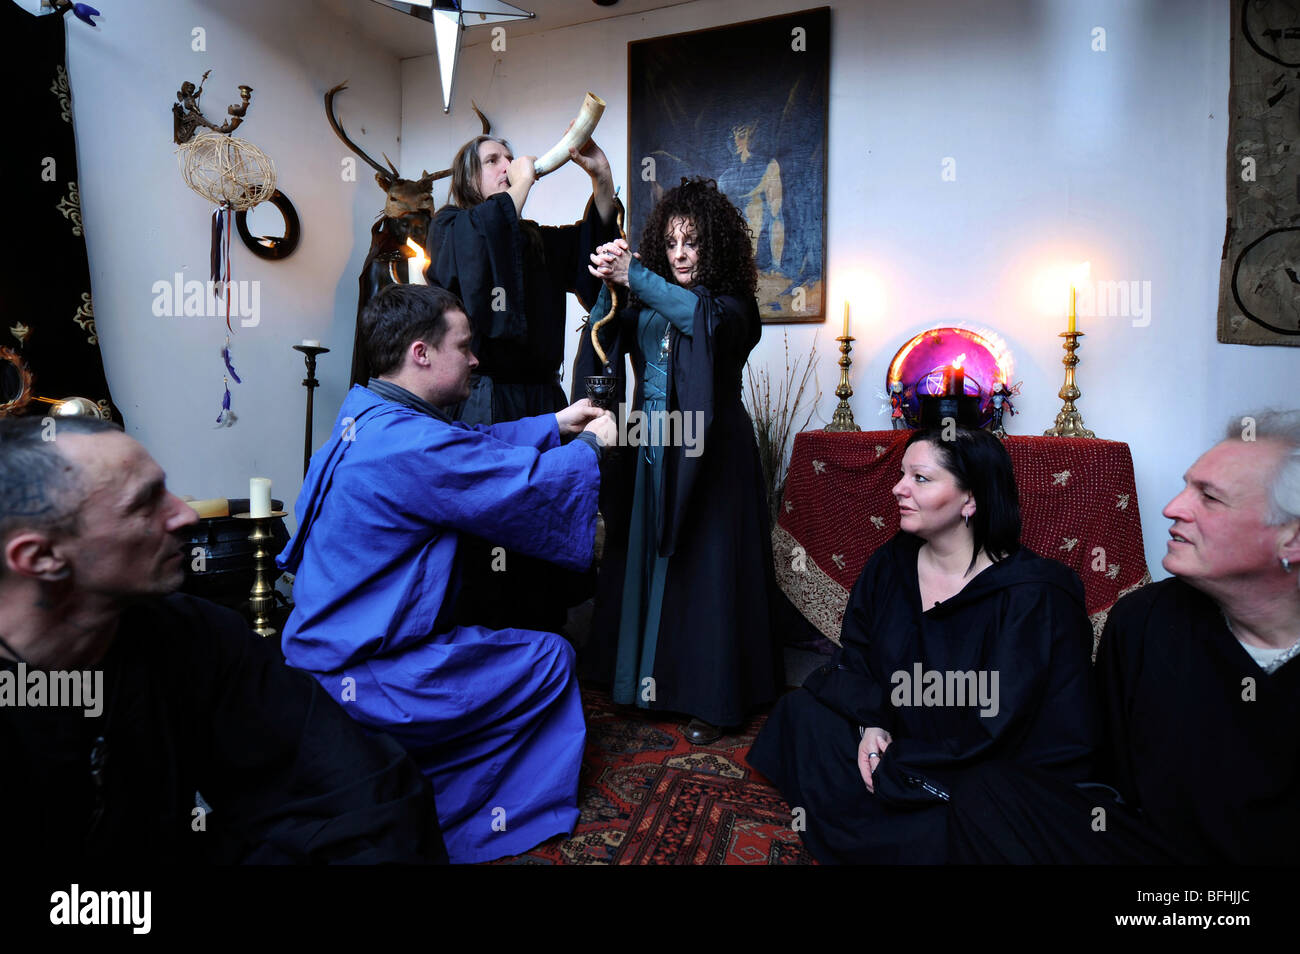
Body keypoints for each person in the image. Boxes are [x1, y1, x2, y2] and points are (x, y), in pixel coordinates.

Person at [0, 415, 445, 864]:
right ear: (40, 556)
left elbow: (356, 791)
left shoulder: (192, 635)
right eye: (145, 503)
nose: (187, 515)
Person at [277, 283, 617, 864]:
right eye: (464, 346)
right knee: (552, 660)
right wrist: (590, 447)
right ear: (421, 353)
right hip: (366, 677)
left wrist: (555, 423)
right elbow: (518, 484)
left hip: (318, 660)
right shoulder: (410, 443)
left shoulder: (368, 412)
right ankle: (463, 820)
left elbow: (466, 444)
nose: (476, 359)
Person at [947, 411, 1300, 865]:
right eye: (1187, 487)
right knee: (988, 793)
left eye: (1210, 498)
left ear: (1291, 540)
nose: (1173, 508)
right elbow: (1103, 776)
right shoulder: (1145, 619)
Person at [746, 427, 1098, 864]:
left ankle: (885, 821)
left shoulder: (1032, 596)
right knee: (801, 713)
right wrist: (871, 725)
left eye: (921, 478)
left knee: (975, 814)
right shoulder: (892, 561)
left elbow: (1004, 726)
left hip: (972, 759)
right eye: (901, 474)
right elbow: (858, 652)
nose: (898, 488)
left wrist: (903, 758)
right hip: (896, 731)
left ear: (971, 500)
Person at [580, 177, 783, 744]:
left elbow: (701, 321)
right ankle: (638, 679)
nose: (681, 255)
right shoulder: (646, 296)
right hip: (649, 442)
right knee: (646, 550)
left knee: (705, 563)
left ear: (713, 245)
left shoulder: (735, 307)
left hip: (712, 450)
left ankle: (711, 698)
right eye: (670, 244)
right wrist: (608, 284)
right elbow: (603, 335)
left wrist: (637, 275)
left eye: (692, 242)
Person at [426, 132, 622, 633]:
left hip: (543, 401)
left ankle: (543, 638)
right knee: (494, 521)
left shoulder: (532, 238)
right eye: (492, 160)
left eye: (511, 159)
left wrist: (602, 181)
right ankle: (486, 641)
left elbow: (590, 252)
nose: (508, 165)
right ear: (467, 177)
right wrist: (518, 186)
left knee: (547, 516)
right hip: (485, 402)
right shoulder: (449, 227)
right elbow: (477, 247)